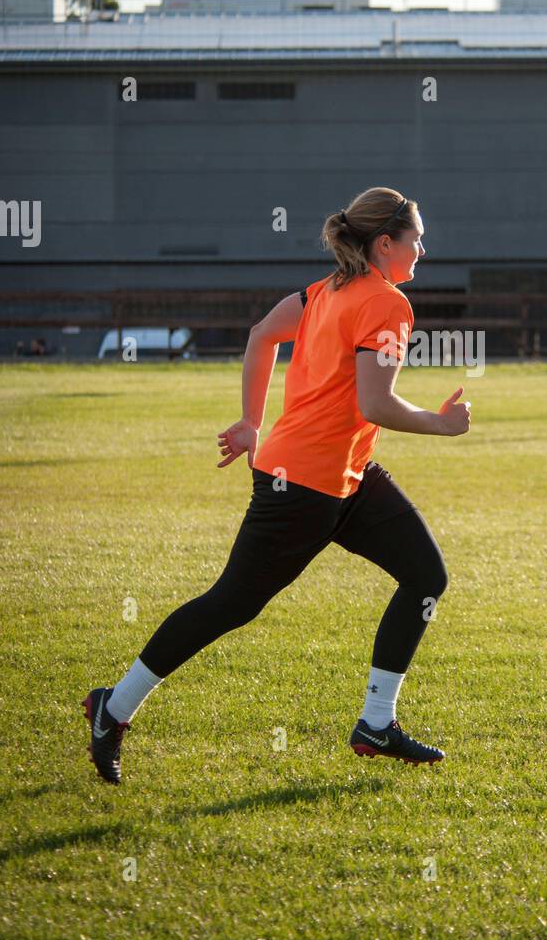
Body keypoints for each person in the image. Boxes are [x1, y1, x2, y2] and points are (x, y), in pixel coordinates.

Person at [82, 188, 472, 784]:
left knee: (425, 575)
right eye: (416, 237)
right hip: (305, 486)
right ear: (384, 243)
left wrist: (251, 420)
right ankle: (112, 708)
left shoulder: (323, 290)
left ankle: (375, 724)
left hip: (348, 476)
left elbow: (261, 335)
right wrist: (440, 424)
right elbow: (376, 402)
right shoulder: (387, 304)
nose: (424, 247)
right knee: (230, 604)